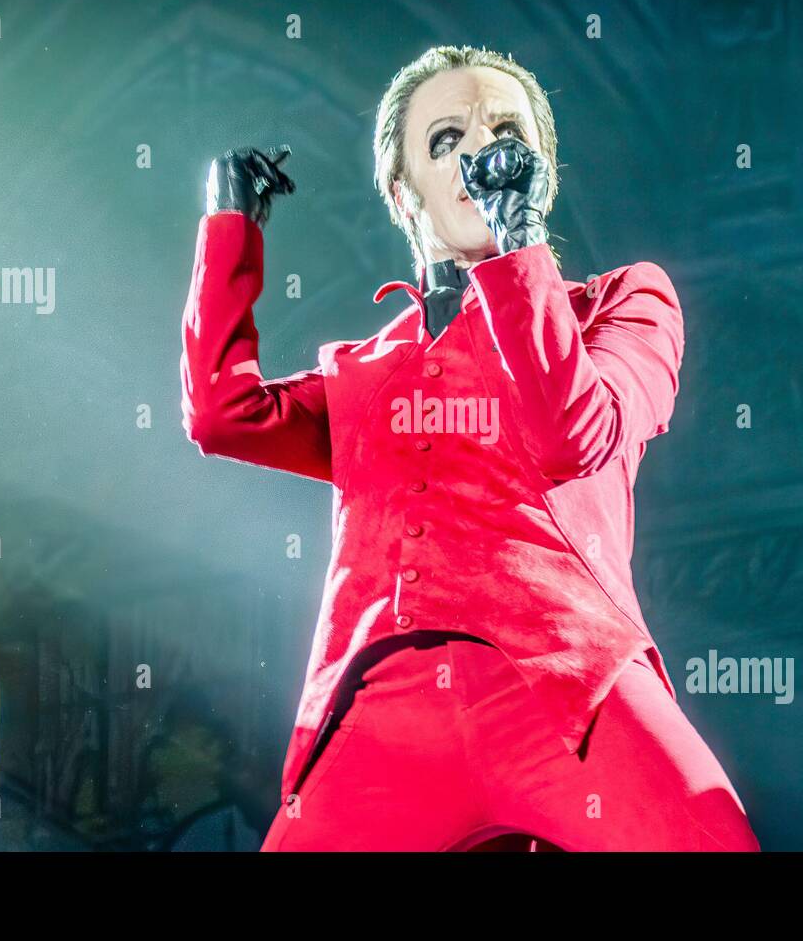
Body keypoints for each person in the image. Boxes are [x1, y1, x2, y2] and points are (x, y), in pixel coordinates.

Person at [180, 44, 760, 851]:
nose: (480, 154)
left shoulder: (623, 304)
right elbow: (222, 414)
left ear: (542, 168)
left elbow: (573, 434)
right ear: (400, 191)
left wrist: (516, 245)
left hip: (566, 687)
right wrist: (229, 229)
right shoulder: (361, 372)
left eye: (503, 132)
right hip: (383, 710)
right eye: (446, 139)